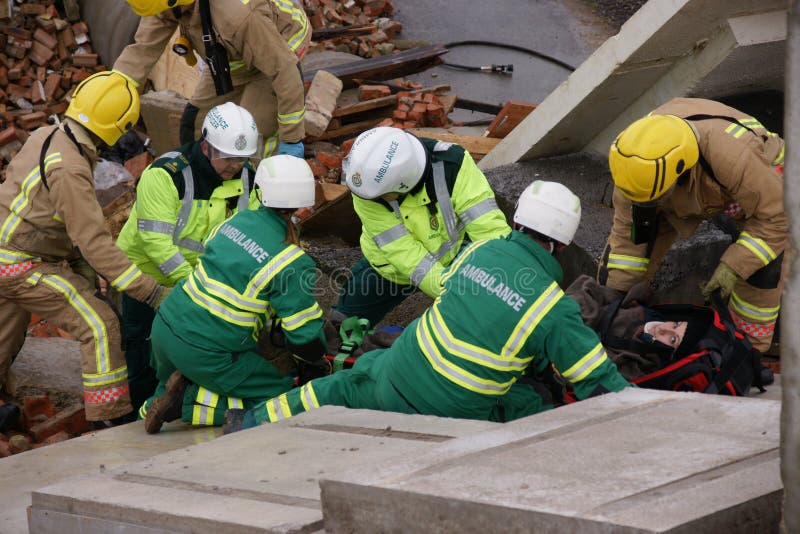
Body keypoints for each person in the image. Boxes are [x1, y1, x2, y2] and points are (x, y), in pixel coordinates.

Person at [224, 181, 632, 431]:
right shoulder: (552, 308)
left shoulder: (478, 251)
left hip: (398, 371)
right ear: (561, 244)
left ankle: (251, 421)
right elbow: (598, 384)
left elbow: (471, 302)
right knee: (534, 403)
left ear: (518, 221)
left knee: (340, 386)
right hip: (451, 411)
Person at [0, 71, 169, 422]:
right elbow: (94, 243)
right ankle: (112, 419)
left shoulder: (48, 134)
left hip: (8, 250)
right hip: (19, 263)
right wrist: (150, 292)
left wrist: (78, 267)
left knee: (5, 336)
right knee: (99, 323)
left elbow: (49, 215)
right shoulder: (71, 168)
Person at [142, 155, 331, 433]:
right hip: (205, 350)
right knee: (282, 398)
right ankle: (185, 405)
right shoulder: (292, 260)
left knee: (163, 385)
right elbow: (303, 336)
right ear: (305, 202)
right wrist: (315, 361)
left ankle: (148, 411)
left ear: (260, 190)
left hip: (165, 327)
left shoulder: (234, 222)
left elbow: (234, 276)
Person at [598, 98, 786, 353]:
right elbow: (626, 247)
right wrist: (611, 306)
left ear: (680, 173)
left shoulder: (734, 157)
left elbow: (778, 218)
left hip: (766, 185)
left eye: (656, 198)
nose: (650, 204)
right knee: (636, 243)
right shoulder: (634, 167)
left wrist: (733, 266)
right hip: (698, 183)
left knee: (764, 265)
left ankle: (746, 353)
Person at [117, 102, 262, 413]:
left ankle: (181, 401)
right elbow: (156, 244)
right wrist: (195, 287)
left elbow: (252, 231)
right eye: (228, 158)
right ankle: (138, 410)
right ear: (206, 146)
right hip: (146, 275)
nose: (235, 166)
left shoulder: (248, 176)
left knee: (200, 345)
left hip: (199, 280)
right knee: (143, 345)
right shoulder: (166, 175)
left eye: (242, 159)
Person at [333, 126, 511, 326]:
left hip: (455, 257)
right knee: (344, 323)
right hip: (391, 267)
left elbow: (489, 230)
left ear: (403, 183)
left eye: (384, 195)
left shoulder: (454, 164)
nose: (378, 200)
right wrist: (450, 291)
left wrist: (503, 282)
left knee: (480, 320)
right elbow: (404, 252)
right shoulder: (366, 189)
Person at [115, 0, 309, 157]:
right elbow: (142, 50)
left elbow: (285, 71)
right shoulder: (166, 6)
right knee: (193, 125)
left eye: (166, 10)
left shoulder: (237, 16)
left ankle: (258, 192)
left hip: (280, 46)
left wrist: (292, 138)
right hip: (231, 59)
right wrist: (115, 86)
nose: (163, 16)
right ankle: (207, 186)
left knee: (252, 134)